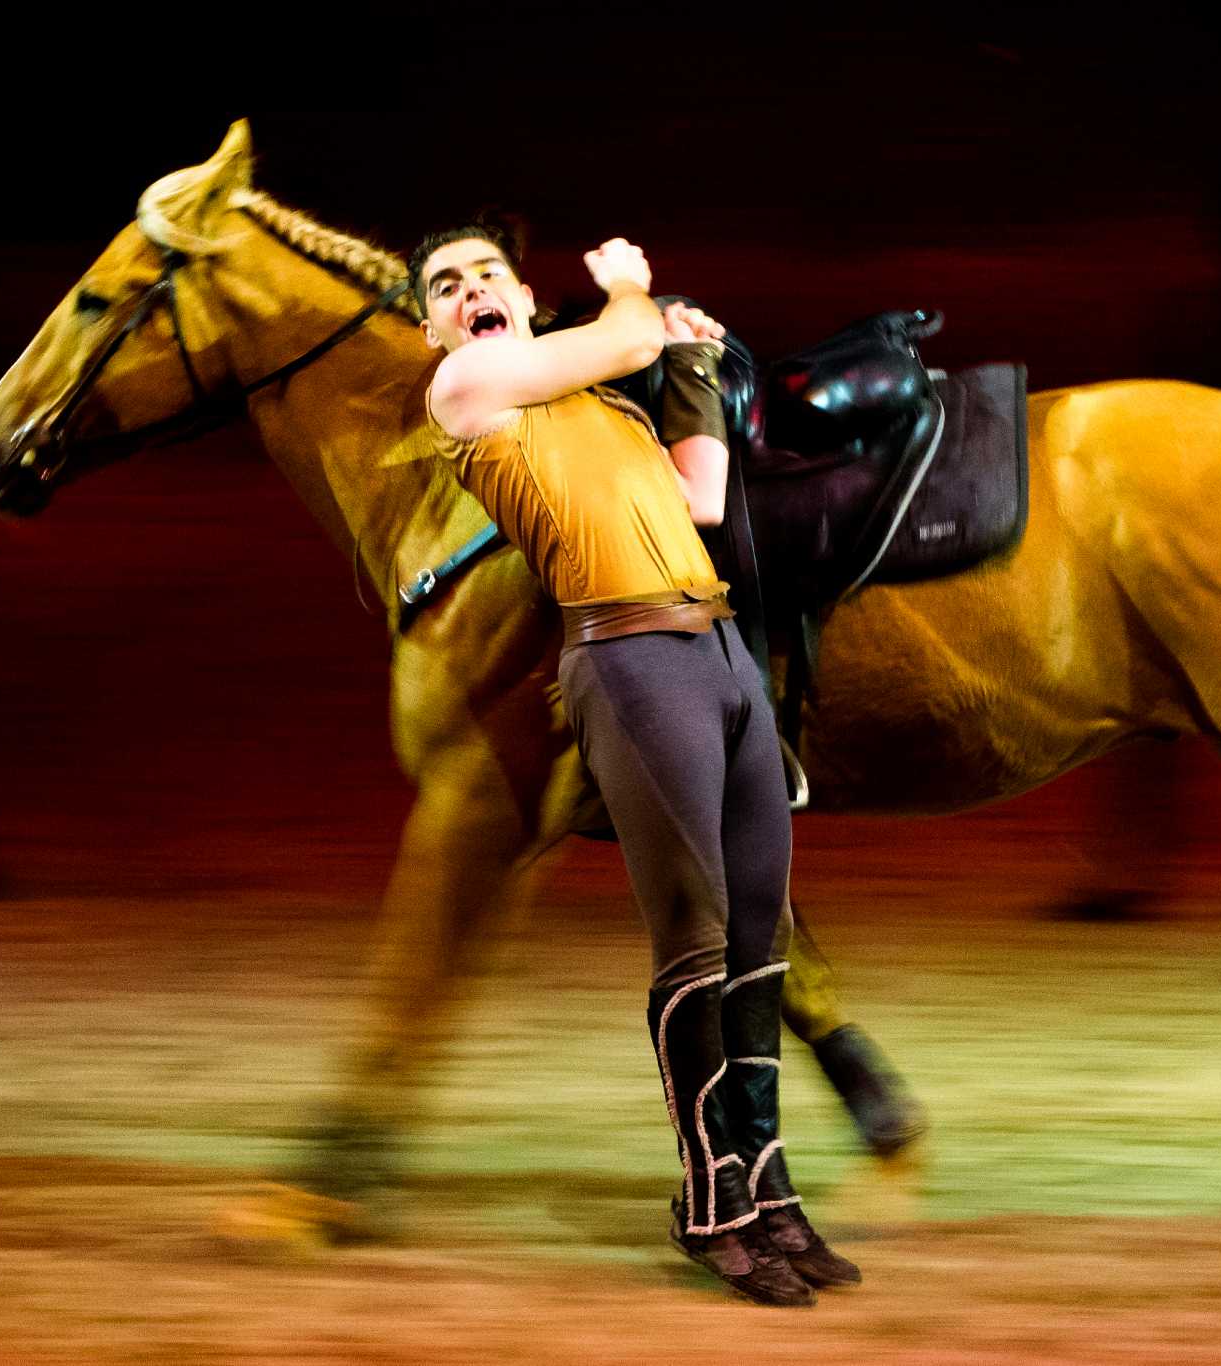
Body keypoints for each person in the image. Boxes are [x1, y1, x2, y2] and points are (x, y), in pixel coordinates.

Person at [409, 222, 857, 1306]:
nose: (469, 290)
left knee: (761, 933)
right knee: (695, 941)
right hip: (626, 659)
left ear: (518, 293)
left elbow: (698, 499)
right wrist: (630, 292)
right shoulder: (471, 385)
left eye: (485, 274)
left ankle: (769, 1188)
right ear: (433, 326)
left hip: (712, 650)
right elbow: (619, 335)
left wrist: (692, 367)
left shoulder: (601, 405)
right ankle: (711, 1205)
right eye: (445, 285)